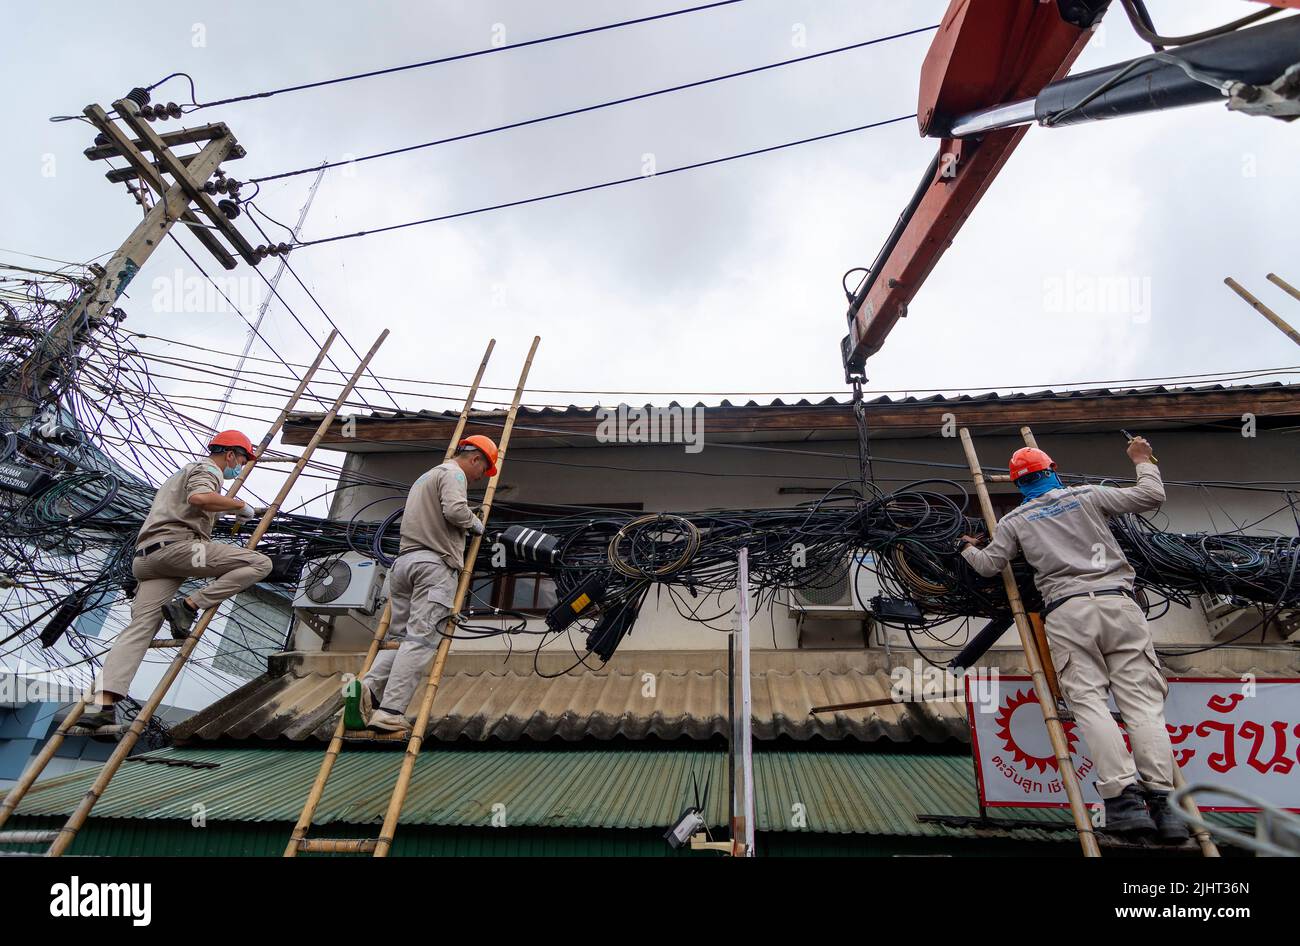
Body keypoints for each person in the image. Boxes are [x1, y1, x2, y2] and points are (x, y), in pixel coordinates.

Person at [959, 435, 1188, 842]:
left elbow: (989, 567)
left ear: (1018, 485)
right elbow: (1152, 495)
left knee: (1090, 705)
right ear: (1054, 470)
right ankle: (1167, 809)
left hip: (1068, 612)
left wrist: (966, 549)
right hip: (1120, 605)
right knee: (1144, 708)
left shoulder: (1014, 521)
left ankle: (1123, 802)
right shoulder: (1087, 496)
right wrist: (1142, 458)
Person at [83, 430, 272, 729]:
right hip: (177, 550)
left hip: (148, 560)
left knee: (140, 629)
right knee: (260, 563)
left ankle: (101, 706)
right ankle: (188, 605)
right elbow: (200, 498)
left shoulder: (180, 475)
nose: (241, 465)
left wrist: (238, 511)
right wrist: (238, 505)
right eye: (243, 459)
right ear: (231, 454)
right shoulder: (209, 469)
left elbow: (194, 505)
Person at [344, 435, 497, 733]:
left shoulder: (425, 477)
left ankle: (368, 690)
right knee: (421, 640)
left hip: (403, 565)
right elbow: (454, 510)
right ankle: (389, 711)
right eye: (483, 469)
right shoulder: (454, 474)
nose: (480, 477)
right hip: (433, 567)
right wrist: (476, 524)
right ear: (475, 458)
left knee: (401, 639)